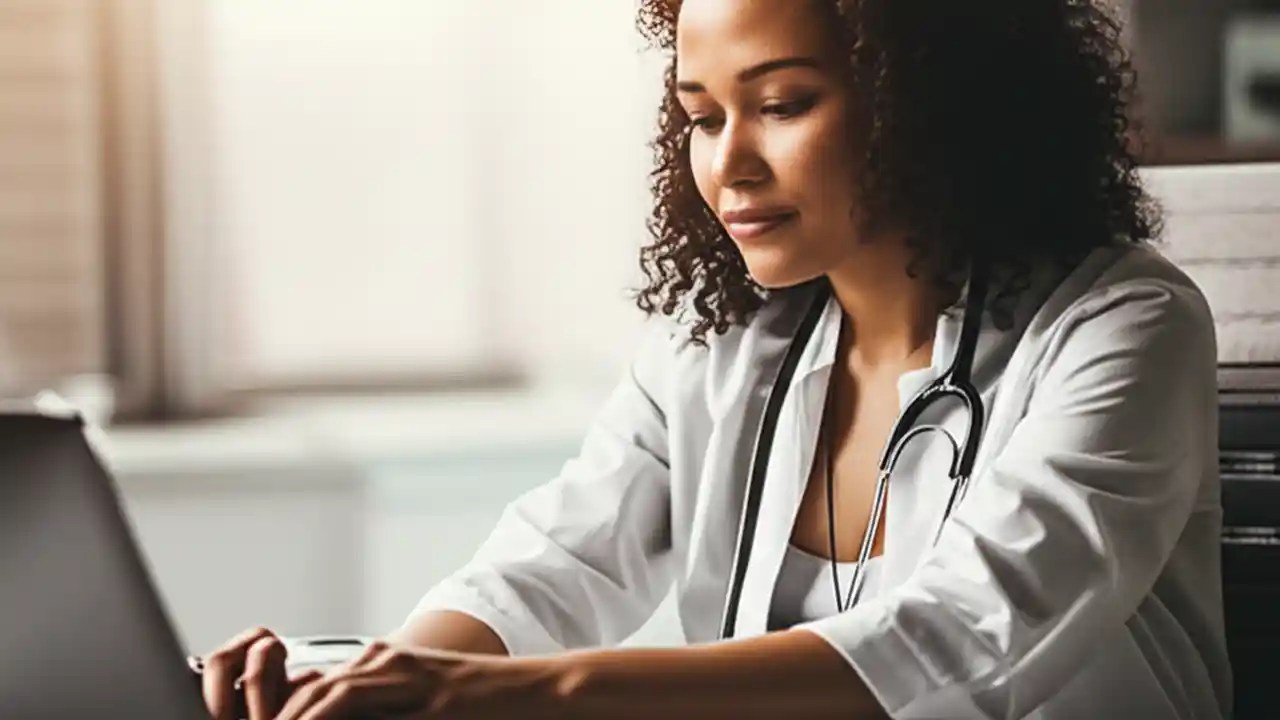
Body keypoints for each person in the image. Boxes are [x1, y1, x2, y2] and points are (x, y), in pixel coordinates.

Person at [200, 0, 1233, 717]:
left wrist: (515, 699)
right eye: (699, 116)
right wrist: (372, 681)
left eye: (781, 104)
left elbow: (963, 630)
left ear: (933, 100)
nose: (727, 164)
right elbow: (558, 560)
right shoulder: (722, 339)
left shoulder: (1121, 326)